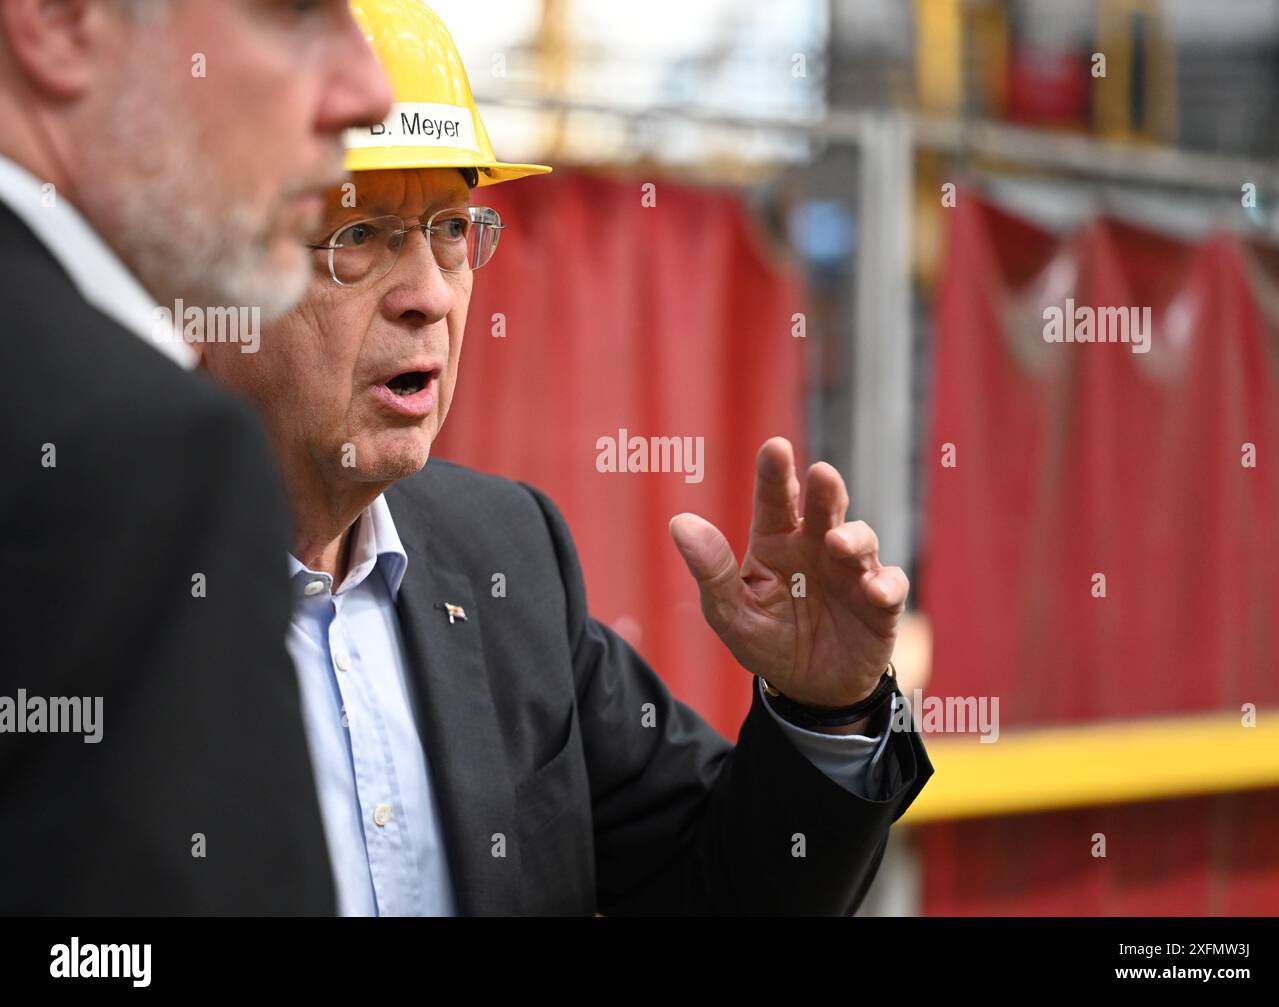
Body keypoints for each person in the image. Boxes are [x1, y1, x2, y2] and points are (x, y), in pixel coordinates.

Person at [201, 0, 933, 915]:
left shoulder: (508, 556)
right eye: (360, 237)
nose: (429, 295)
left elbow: (719, 890)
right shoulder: (87, 591)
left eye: (453, 231)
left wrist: (822, 714)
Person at [0, 0, 392, 913]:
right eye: (295, 11)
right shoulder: (146, 452)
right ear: (60, 21)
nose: (367, 90)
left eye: (456, 228)